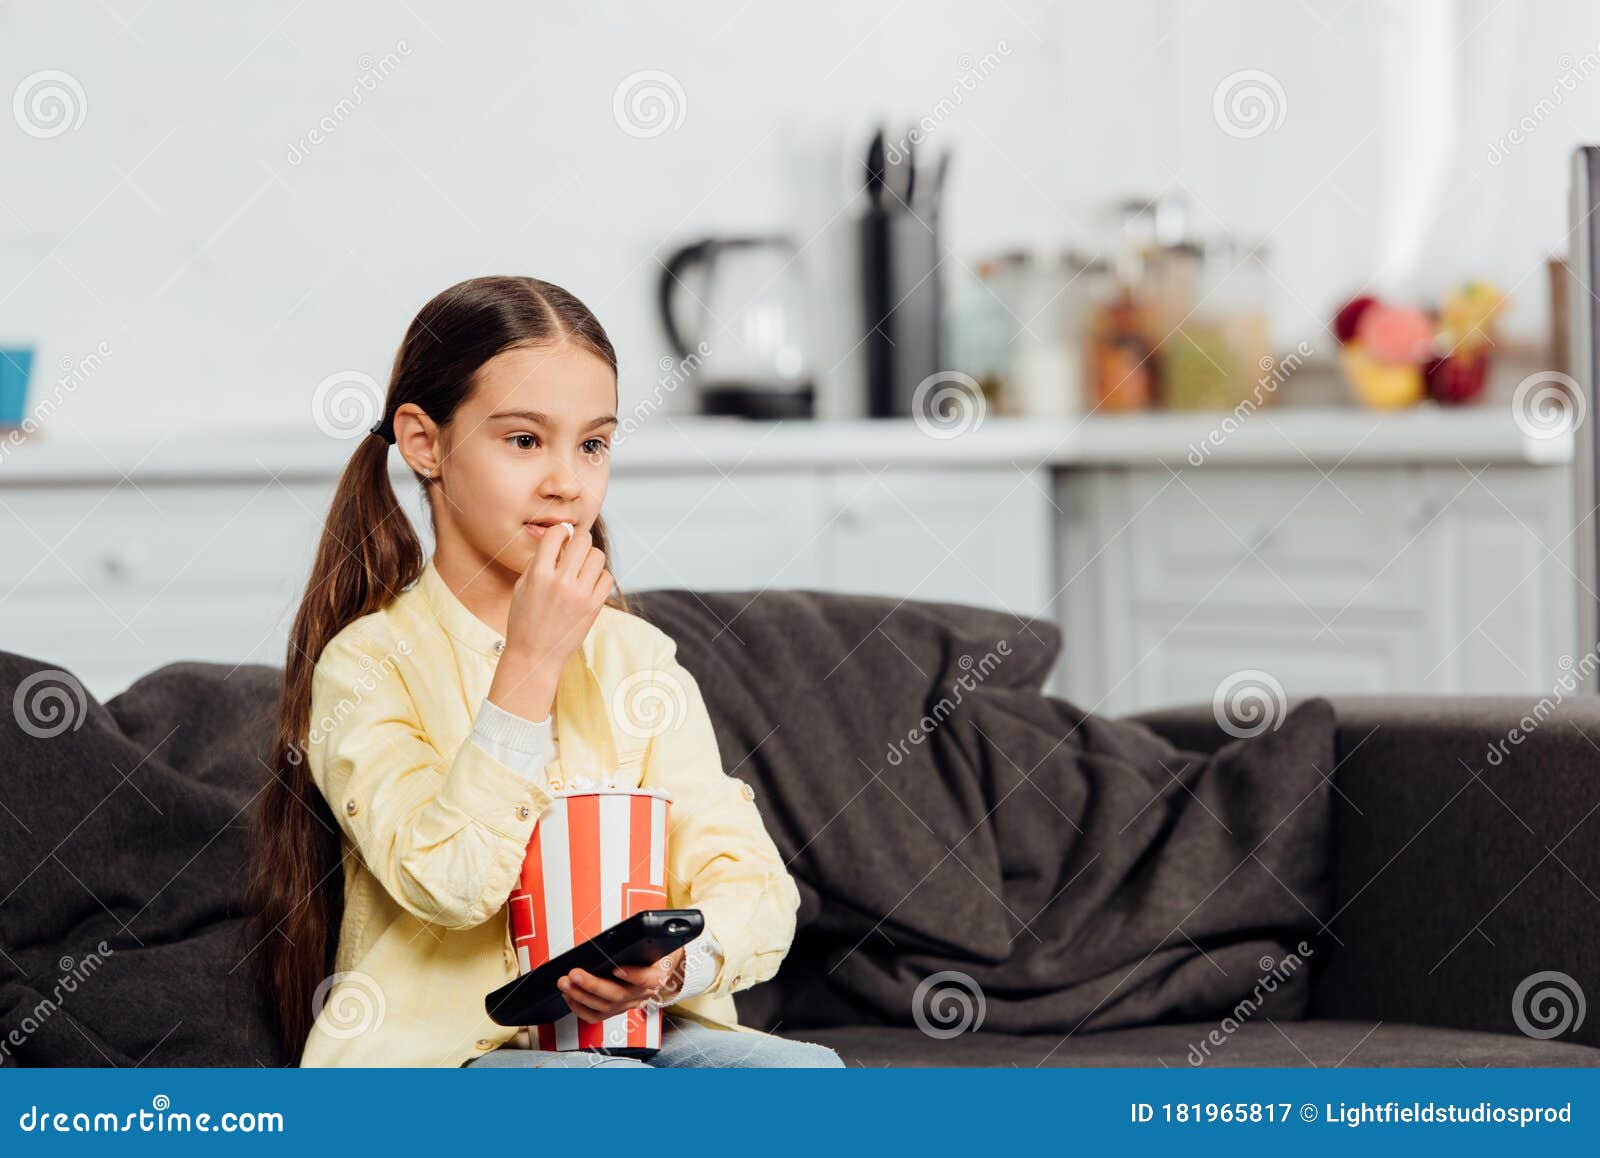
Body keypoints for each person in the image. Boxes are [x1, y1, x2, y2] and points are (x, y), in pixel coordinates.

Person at [248, 274, 842, 1069]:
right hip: (443, 1057)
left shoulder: (638, 658)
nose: (568, 481)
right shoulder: (365, 664)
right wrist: (530, 664)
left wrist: (672, 968)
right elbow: (449, 886)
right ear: (426, 444)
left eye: (592, 444)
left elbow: (755, 888)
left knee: (805, 1076)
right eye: (524, 440)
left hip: (631, 1037)